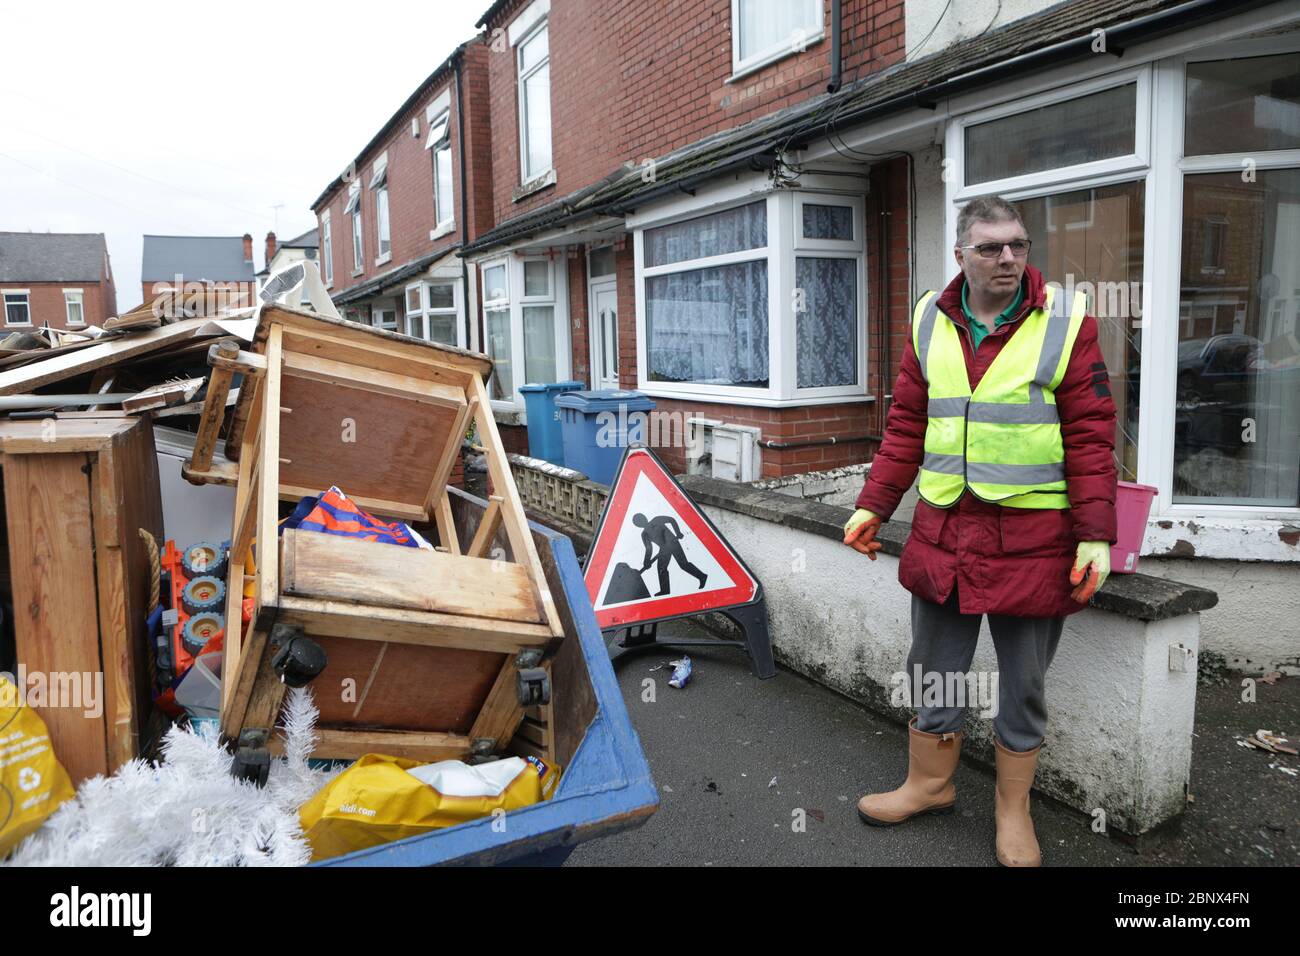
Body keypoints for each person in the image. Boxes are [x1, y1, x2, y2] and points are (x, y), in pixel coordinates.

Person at [842, 195, 1117, 867]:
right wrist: (874, 503)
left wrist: (1095, 536)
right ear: (961, 254)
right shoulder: (929, 320)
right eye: (991, 246)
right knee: (934, 671)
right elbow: (908, 421)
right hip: (944, 531)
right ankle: (929, 785)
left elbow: (1091, 435)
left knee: (1022, 683)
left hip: (1035, 540)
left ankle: (1013, 812)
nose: (1008, 257)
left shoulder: (1065, 321)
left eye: (1018, 244)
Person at [634, 513, 708, 595]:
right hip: (664, 549)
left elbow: (671, 520)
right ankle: (665, 591)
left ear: (644, 518)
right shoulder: (644, 534)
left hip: (673, 543)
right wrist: (646, 561)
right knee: (661, 568)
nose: (641, 522)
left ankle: (702, 576)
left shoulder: (656, 520)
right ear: (637, 525)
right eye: (638, 522)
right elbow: (649, 548)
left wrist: (678, 532)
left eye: (640, 520)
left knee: (683, 564)